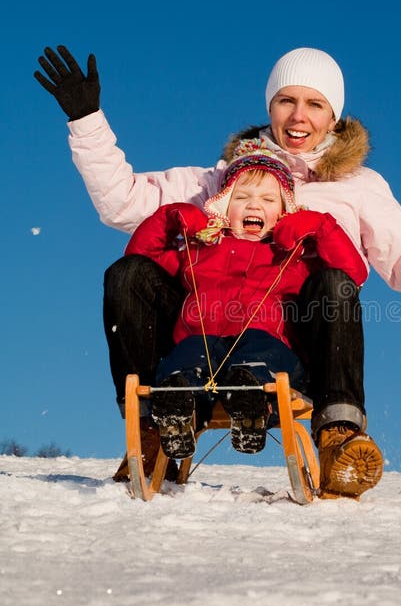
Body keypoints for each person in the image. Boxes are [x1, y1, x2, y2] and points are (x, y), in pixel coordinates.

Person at [34, 46, 401, 494]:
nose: (298, 116)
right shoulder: (222, 180)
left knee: (334, 282)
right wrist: (87, 120)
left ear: (334, 116)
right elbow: (123, 204)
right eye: (286, 101)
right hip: (200, 333)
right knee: (128, 274)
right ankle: (153, 424)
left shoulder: (357, 190)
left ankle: (338, 435)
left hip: (290, 335)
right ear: (270, 106)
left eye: (314, 104)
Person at [120, 140, 380, 498]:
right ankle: (178, 408)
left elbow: (351, 275)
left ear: (284, 212)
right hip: (202, 349)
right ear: (224, 206)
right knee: (188, 356)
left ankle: (250, 401)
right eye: (241, 197)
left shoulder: (292, 258)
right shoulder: (198, 251)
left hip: (269, 348)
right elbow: (137, 263)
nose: (254, 205)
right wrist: (168, 219)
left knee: (257, 349)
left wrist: (320, 227)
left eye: (269, 199)